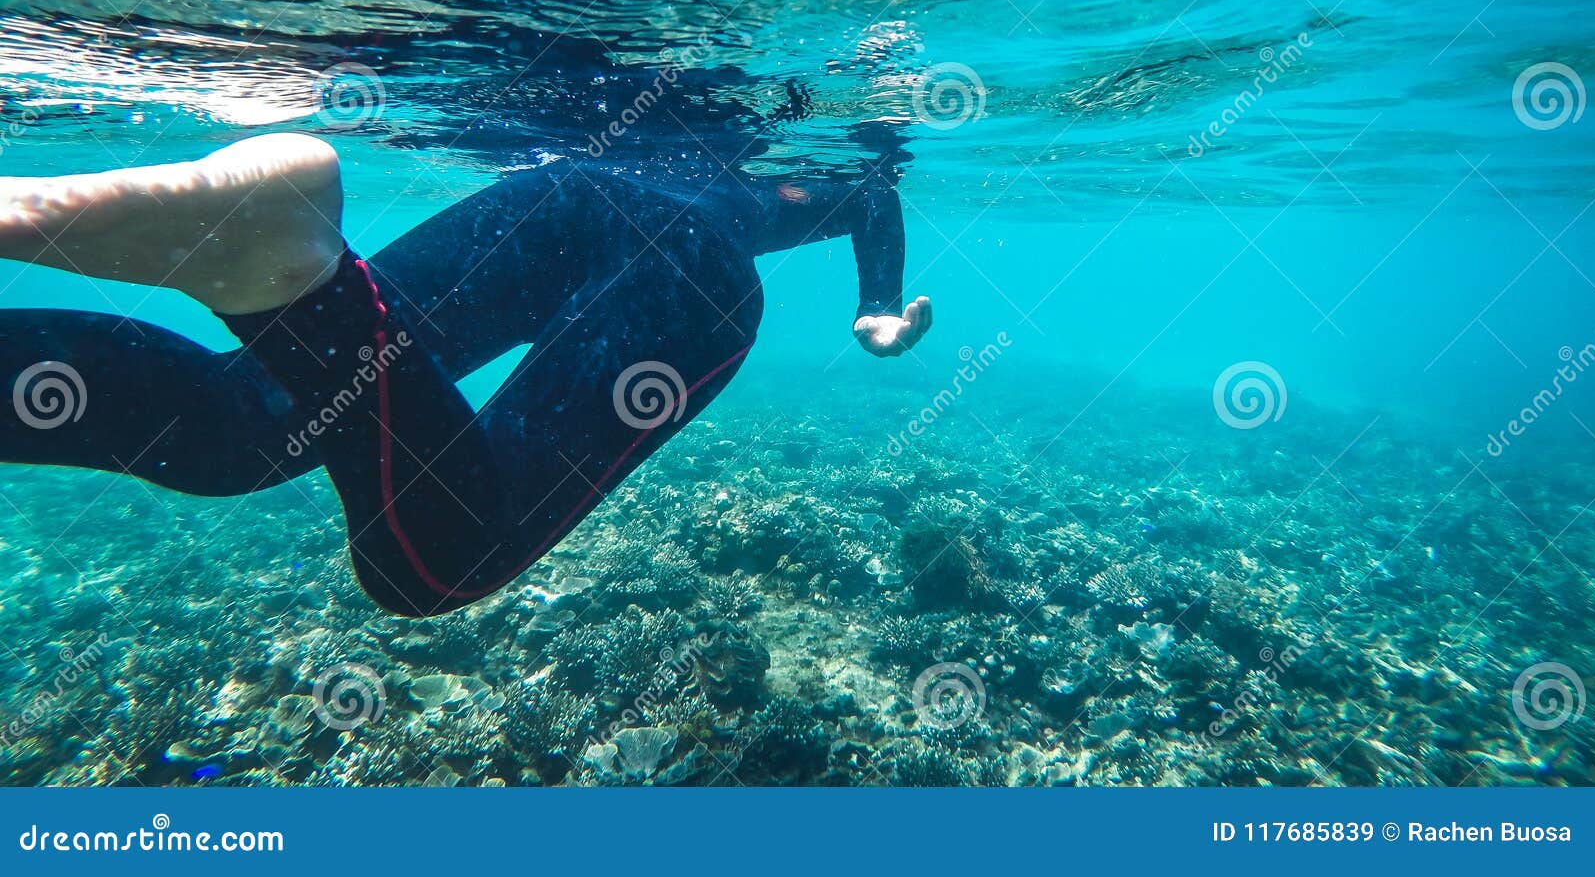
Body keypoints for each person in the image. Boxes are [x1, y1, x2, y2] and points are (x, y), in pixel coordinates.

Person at [0, 134, 931, 616]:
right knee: (440, 566)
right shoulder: (779, 170)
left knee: (246, 420)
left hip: (559, 195)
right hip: (693, 267)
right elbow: (869, 190)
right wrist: (875, 304)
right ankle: (294, 283)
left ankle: (275, 270)